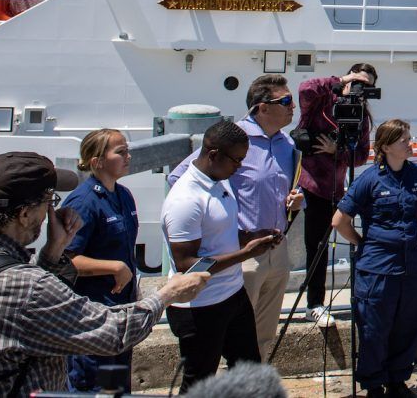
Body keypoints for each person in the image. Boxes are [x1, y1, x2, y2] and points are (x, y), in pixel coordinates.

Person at [0, 151, 208, 396]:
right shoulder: (26, 286)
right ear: (25, 214)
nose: (51, 212)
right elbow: (113, 333)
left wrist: (53, 252)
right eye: (48, 202)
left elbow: (18, 314)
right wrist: (167, 295)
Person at [169, 75, 303, 360]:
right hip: (243, 253)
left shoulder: (286, 143)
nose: (294, 107)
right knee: (233, 337)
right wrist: (222, 227)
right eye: (286, 101)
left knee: (264, 333)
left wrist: (295, 199)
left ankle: (255, 381)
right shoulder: (234, 139)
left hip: (277, 249)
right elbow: (180, 177)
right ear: (262, 107)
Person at [162, 120, 285, 390]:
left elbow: (221, 235)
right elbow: (187, 266)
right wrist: (245, 254)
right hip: (200, 307)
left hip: (232, 295)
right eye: (236, 160)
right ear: (214, 155)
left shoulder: (220, 182)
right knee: (199, 383)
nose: (239, 167)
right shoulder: (186, 200)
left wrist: (252, 236)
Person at [334, 119, 417, 398]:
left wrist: (404, 233)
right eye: (404, 140)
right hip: (378, 269)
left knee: (408, 325)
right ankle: (374, 385)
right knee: (374, 330)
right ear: (386, 146)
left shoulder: (416, 174)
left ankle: (397, 381)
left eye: (410, 138)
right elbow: (339, 220)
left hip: (411, 266)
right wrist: (362, 243)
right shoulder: (369, 179)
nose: (411, 143)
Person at [296, 63, 376, 327]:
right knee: (303, 245)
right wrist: (340, 80)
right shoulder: (322, 101)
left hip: (332, 187)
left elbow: (361, 156)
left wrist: (336, 150)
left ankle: (317, 304)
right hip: (304, 183)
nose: (360, 89)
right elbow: (304, 89)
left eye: (367, 86)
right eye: (358, 82)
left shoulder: (361, 117)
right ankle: (308, 303)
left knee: (321, 246)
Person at [62, 128, 139, 392]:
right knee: (94, 388)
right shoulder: (83, 201)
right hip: (94, 316)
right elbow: (65, 260)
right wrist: (114, 267)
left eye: (127, 150)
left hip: (121, 313)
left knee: (118, 387)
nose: (128, 156)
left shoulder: (123, 195)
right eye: (120, 152)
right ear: (97, 161)